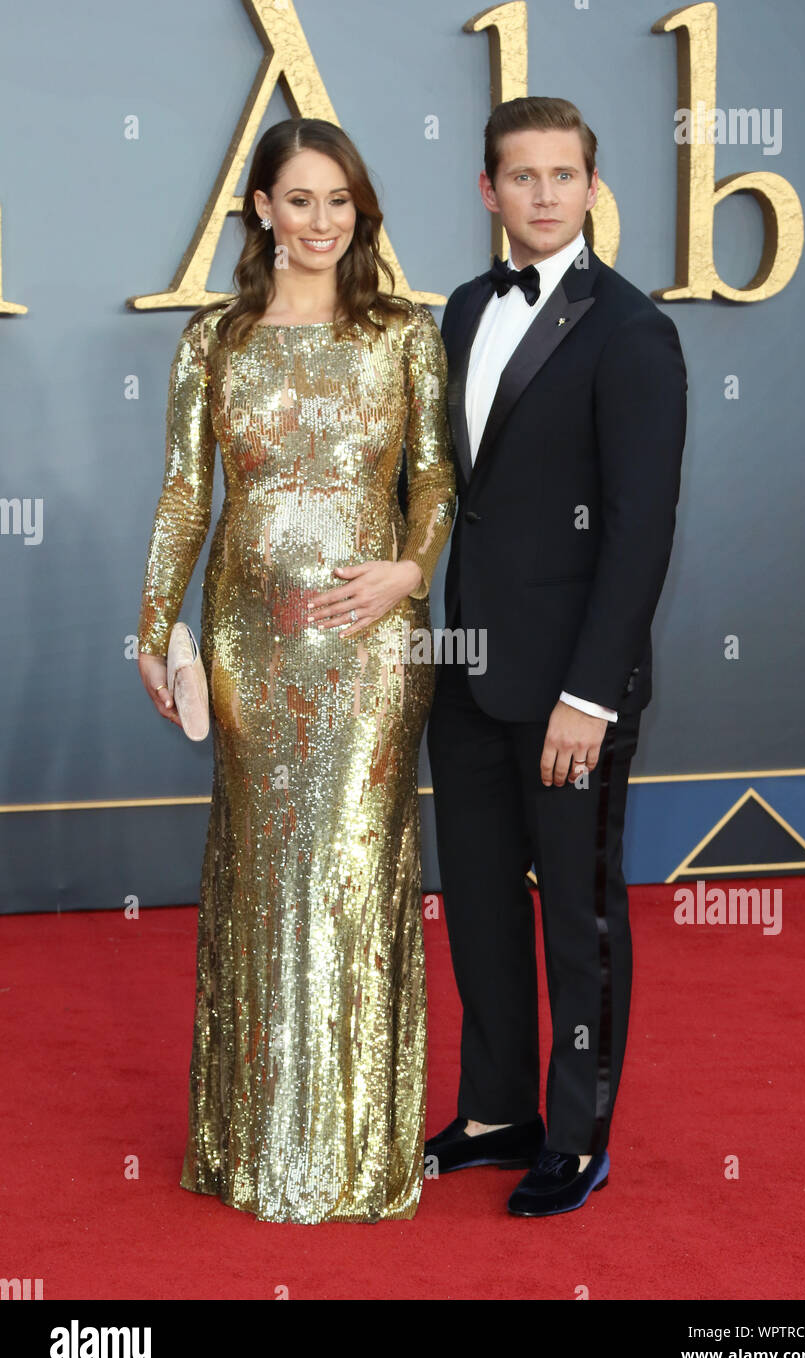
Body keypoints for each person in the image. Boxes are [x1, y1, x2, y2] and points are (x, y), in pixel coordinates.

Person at [136, 118, 456, 1224]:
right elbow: (186, 493)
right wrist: (150, 624)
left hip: (370, 647)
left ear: (359, 213)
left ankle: (356, 1148)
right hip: (247, 641)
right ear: (261, 208)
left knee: (352, 867)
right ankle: (256, 1142)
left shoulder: (403, 336)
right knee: (268, 871)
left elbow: (436, 481)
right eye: (299, 199)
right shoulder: (213, 341)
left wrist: (407, 576)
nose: (321, 222)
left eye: (340, 201)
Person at [426, 96, 687, 1216]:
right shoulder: (459, 309)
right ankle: (494, 1113)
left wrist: (587, 693)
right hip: (467, 670)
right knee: (478, 902)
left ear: (591, 188)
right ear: (486, 190)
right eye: (518, 177)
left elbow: (640, 530)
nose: (540, 196)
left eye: (561, 176)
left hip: (572, 689)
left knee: (575, 921)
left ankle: (574, 1135)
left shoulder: (631, 331)